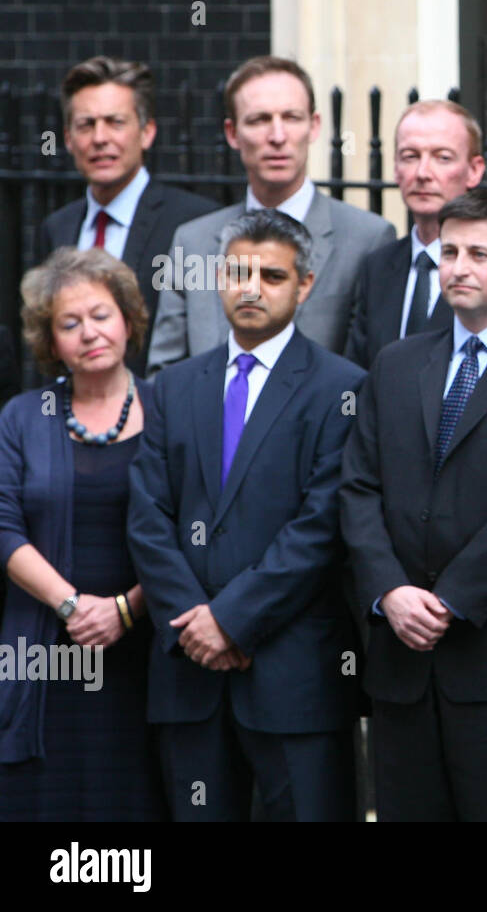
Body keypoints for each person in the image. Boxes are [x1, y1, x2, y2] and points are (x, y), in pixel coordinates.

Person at [340, 191, 487, 820]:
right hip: (402, 664)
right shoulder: (395, 364)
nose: (459, 266)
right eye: (448, 252)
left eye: (480, 252)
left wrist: (452, 597)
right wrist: (390, 590)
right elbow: (359, 487)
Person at [128, 209, 365, 821]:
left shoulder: (342, 388)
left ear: (305, 285)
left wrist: (231, 621)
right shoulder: (172, 387)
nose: (251, 287)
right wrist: (195, 627)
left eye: (271, 275)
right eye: (237, 272)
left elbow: (320, 527)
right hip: (189, 674)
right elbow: (148, 519)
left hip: (293, 677)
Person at [0, 248, 164, 820]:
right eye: (69, 324)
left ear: (128, 318)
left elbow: (198, 533)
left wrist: (126, 609)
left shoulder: (171, 407)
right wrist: (72, 606)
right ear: (51, 340)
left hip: (147, 653)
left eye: (101, 314)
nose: (89, 333)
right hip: (47, 650)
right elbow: (2, 525)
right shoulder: (23, 416)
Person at [146, 56, 394, 374]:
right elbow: (164, 373)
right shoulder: (192, 240)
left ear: (314, 126)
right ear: (232, 133)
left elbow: (367, 374)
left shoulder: (367, 238)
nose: (277, 136)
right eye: (260, 120)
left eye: (291, 117)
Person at [37, 56, 217, 378]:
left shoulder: (193, 223)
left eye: (115, 122)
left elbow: (204, 342)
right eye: (86, 125)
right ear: (67, 139)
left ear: (147, 133)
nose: (100, 138)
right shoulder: (57, 228)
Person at [344, 100, 486, 368]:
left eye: (442, 157)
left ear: (474, 170)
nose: (423, 173)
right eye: (410, 156)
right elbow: (356, 374)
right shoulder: (378, 267)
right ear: (396, 168)